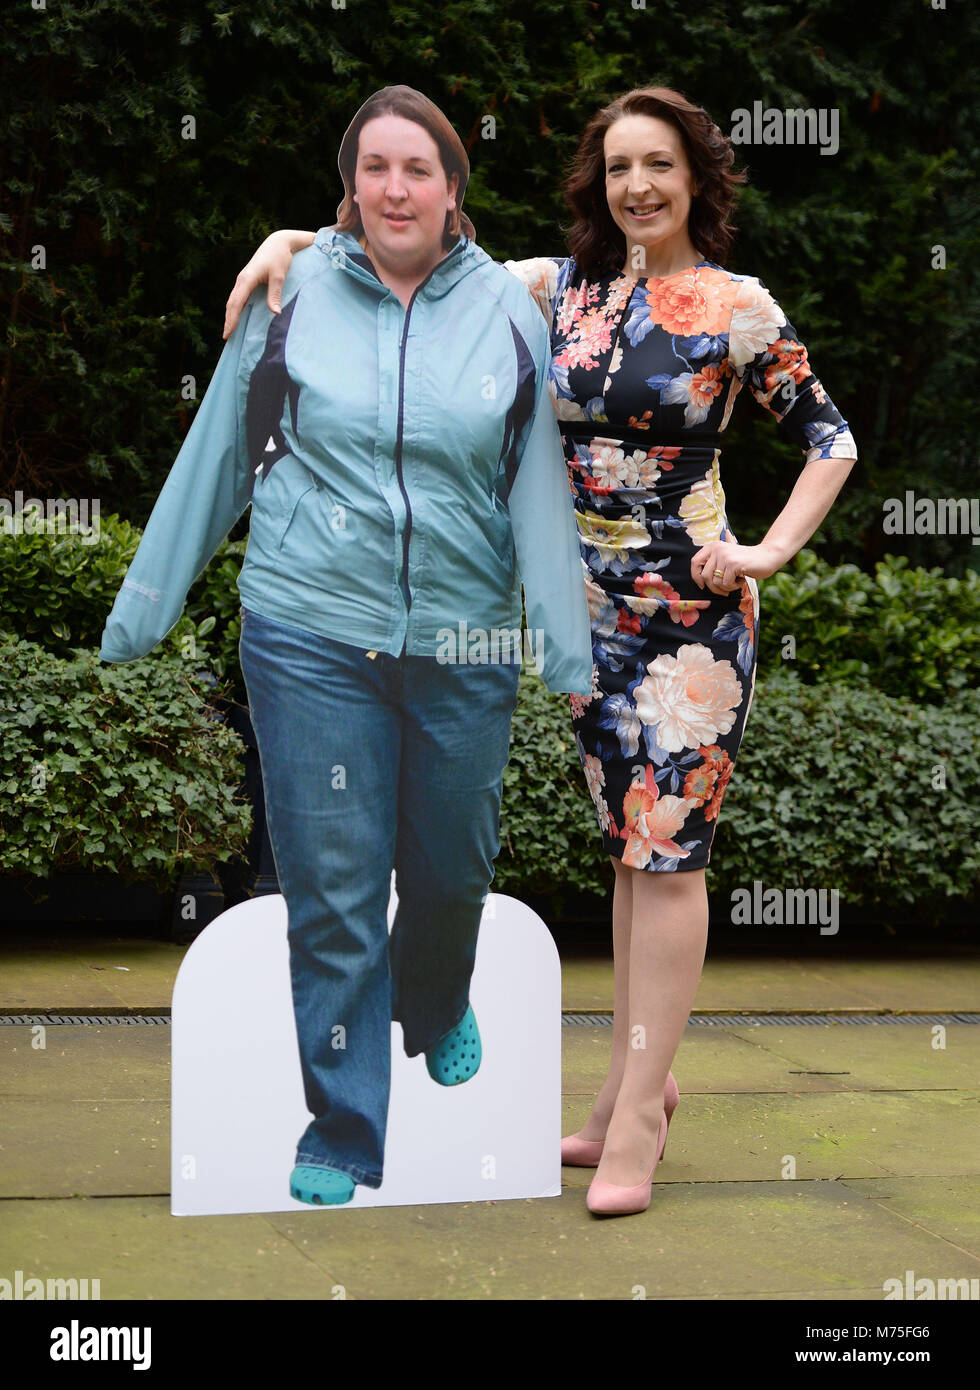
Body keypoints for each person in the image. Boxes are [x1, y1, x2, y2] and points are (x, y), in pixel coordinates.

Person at [223, 85, 858, 1218]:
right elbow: (403, 244)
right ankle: (629, 1090)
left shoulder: (734, 305)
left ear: (696, 178)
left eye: (657, 164)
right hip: (583, 617)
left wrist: (760, 551)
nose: (637, 186)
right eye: (618, 167)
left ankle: (640, 1125)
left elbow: (828, 438)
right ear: (596, 183)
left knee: (666, 861)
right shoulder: (551, 289)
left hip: (686, 624)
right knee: (628, 855)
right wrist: (291, 242)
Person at [99, 85, 593, 1207]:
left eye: (415, 167)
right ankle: (343, 1125)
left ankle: (434, 997)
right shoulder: (291, 289)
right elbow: (218, 448)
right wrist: (147, 603)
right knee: (329, 883)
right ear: (349, 183)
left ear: (452, 186)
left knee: (452, 867)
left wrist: (565, 649)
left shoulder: (509, 311)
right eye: (373, 167)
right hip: (309, 627)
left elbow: (536, 490)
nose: (393, 188)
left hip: (463, 638)